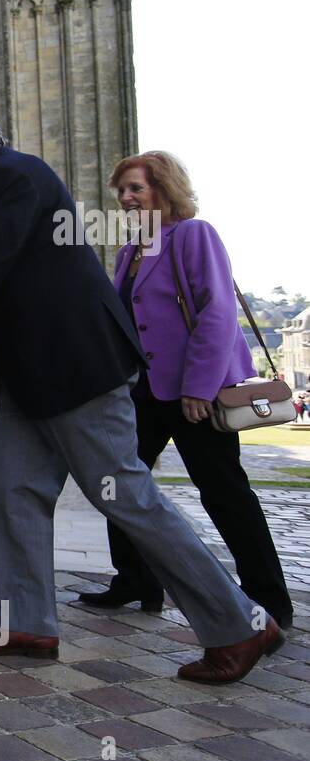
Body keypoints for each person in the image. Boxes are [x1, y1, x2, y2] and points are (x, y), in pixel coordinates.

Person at [0, 91, 283, 684]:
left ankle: (240, 624)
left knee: (126, 497)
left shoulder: (15, 174)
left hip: (78, 370)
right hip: (33, 380)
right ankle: (27, 622)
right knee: (12, 494)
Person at [77, 152, 294, 628]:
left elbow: (216, 313)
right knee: (118, 484)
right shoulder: (130, 252)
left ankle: (271, 599)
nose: (126, 198)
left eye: (135, 188)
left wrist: (198, 386)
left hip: (195, 391)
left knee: (224, 492)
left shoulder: (194, 235)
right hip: (144, 394)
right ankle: (135, 581)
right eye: (122, 191)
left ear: (164, 188)